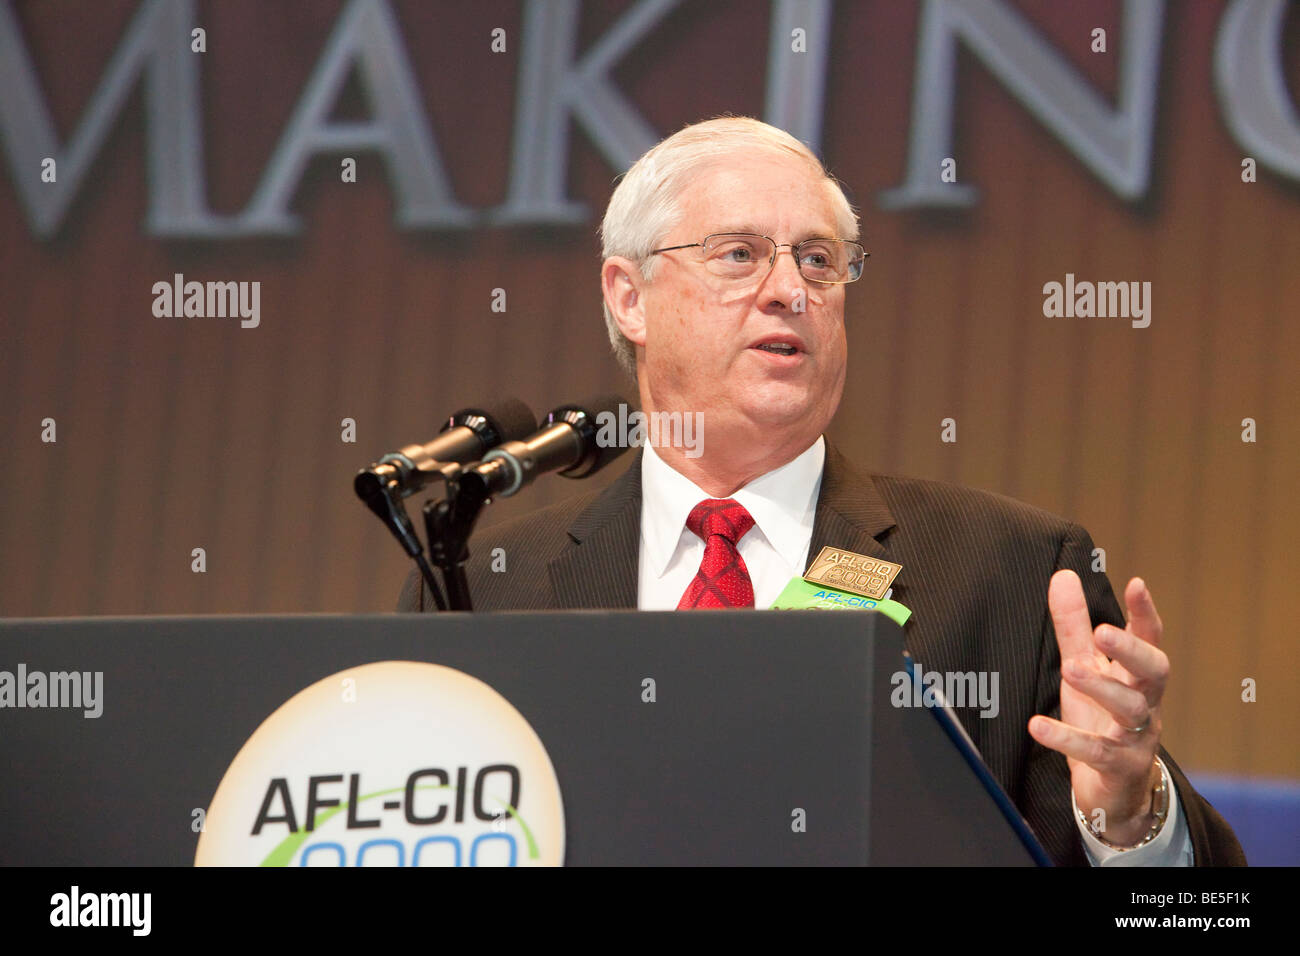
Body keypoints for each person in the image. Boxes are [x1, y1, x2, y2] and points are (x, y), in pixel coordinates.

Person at [399, 116, 1245, 867]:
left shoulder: (1014, 572)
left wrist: (1129, 819)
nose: (790, 290)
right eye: (738, 255)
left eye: (818, 260)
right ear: (630, 298)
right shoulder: (485, 582)